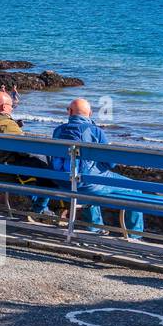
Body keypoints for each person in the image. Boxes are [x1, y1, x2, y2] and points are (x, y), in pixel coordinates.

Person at [51, 98, 145, 238]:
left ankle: (94, 228)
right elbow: (110, 163)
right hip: (85, 184)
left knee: (88, 178)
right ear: (90, 114)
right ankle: (135, 236)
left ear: (70, 112)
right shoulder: (96, 131)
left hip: (63, 182)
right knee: (134, 188)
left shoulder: (58, 131)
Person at [0, 90, 53, 216]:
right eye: (11, 106)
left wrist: (14, 126)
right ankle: (39, 210)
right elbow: (26, 150)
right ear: (4, 107)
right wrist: (15, 128)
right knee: (45, 169)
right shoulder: (6, 125)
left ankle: (40, 210)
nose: (12, 109)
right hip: (4, 174)